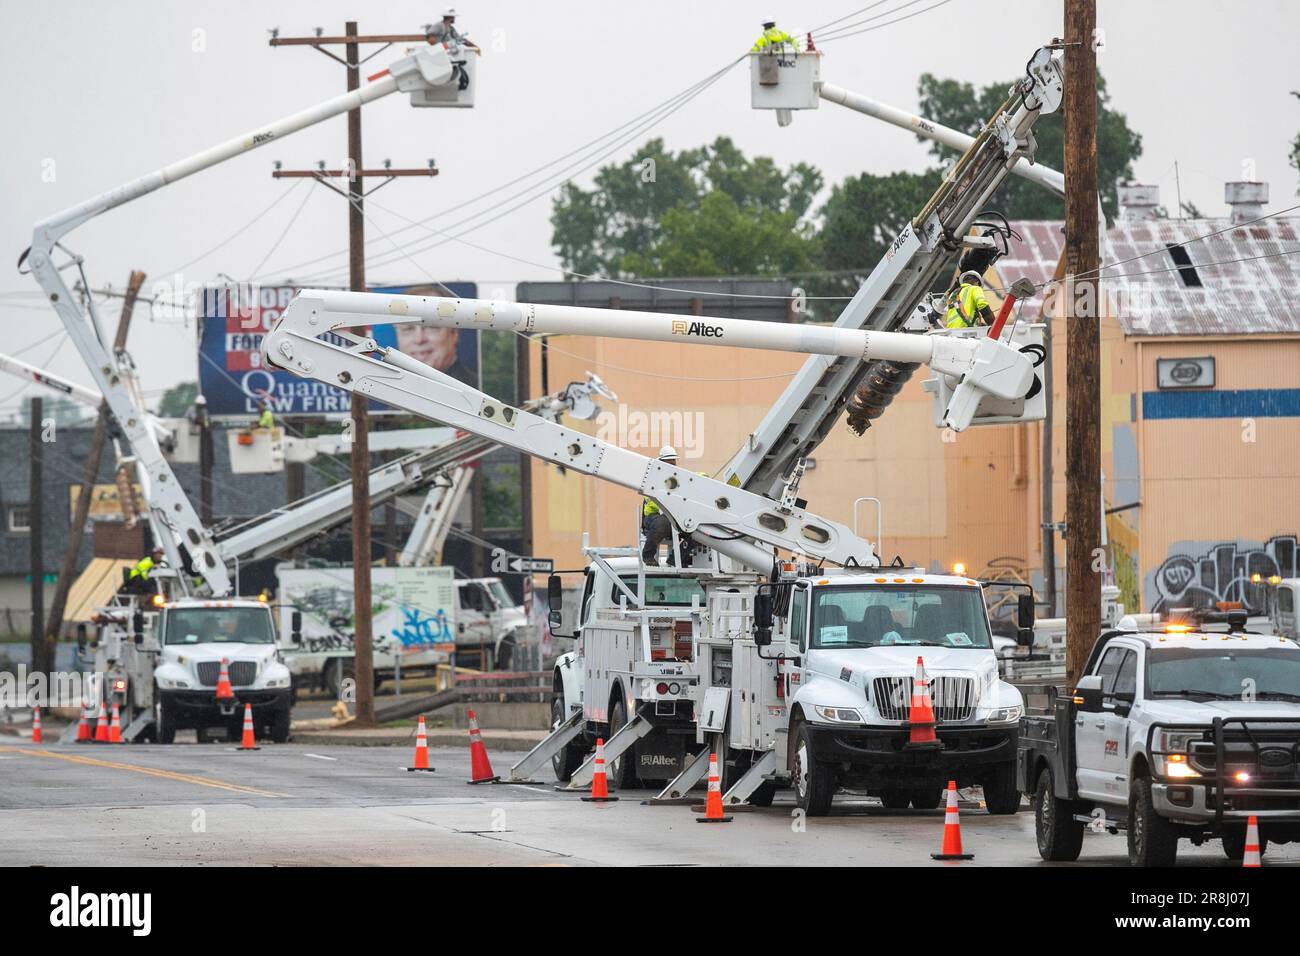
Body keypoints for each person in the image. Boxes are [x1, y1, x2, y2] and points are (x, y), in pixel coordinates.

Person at [641, 446, 679, 566]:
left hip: (671, 517)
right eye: (670, 463)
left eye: (674, 462)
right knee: (663, 523)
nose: (673, 465)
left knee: (696, 530)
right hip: (653, 516)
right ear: (662, 463)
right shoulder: (654, 478)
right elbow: (657, 503)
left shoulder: (677, 478)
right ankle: (648, 556)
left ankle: (676, 559)